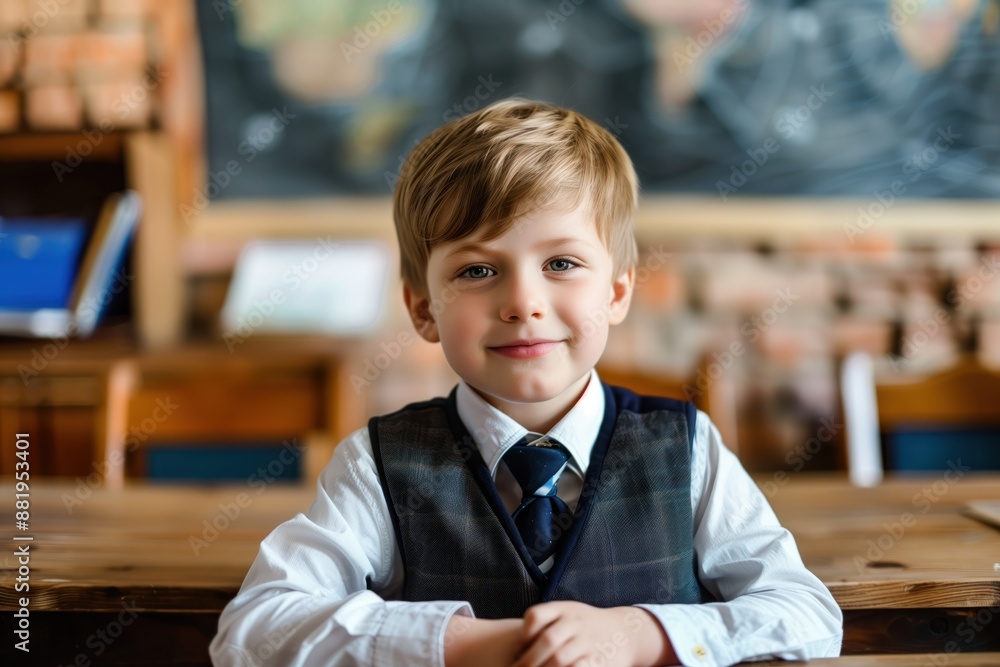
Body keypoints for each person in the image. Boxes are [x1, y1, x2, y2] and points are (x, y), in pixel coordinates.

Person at [210, 99, 843, 667]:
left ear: (617, 290)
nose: (523, 303)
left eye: (561, 264)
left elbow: (807, 615)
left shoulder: (688, 447)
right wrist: (471, 643)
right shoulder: (377, 464)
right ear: (423, 309)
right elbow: (253, 629)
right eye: (479, 269)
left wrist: (641, 635)